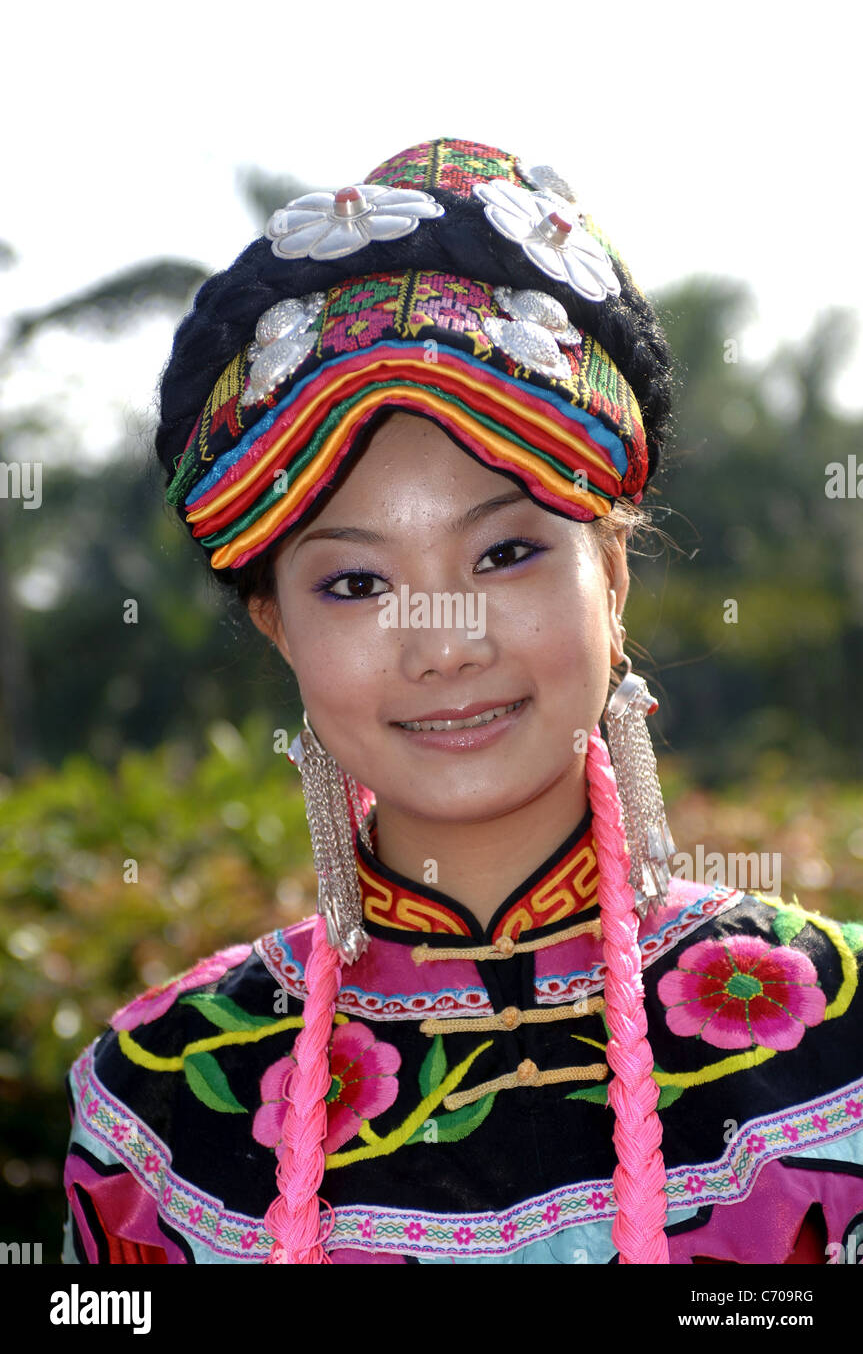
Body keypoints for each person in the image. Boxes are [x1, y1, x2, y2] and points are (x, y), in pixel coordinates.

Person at [62, 138, 863, 1265]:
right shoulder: (156, 1103)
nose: (442, 645)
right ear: (277, 625)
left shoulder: (839, 1038)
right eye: (356, 582)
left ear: (613, 575)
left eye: (503, 554)